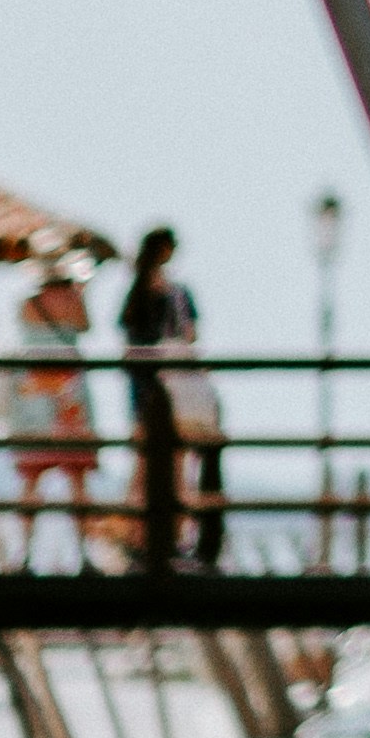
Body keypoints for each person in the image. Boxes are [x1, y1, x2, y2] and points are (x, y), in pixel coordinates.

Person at [118, 233, 222, 574]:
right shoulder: (177, 292)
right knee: (177, 468)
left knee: (142, 468)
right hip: (174, 388)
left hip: (143, 390)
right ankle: (173, 539)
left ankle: (137, 538)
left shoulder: (136, 294)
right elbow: (191, 335)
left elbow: (129, 340)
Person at [5, 259, 96, 572]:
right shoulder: (74, 301)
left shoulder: (27, 303)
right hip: (69, 391)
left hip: (34, 390)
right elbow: (86, 326)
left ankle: (24, 554)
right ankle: (84, 553)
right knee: (77, 477)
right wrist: (81, 293)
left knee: (31, 475)